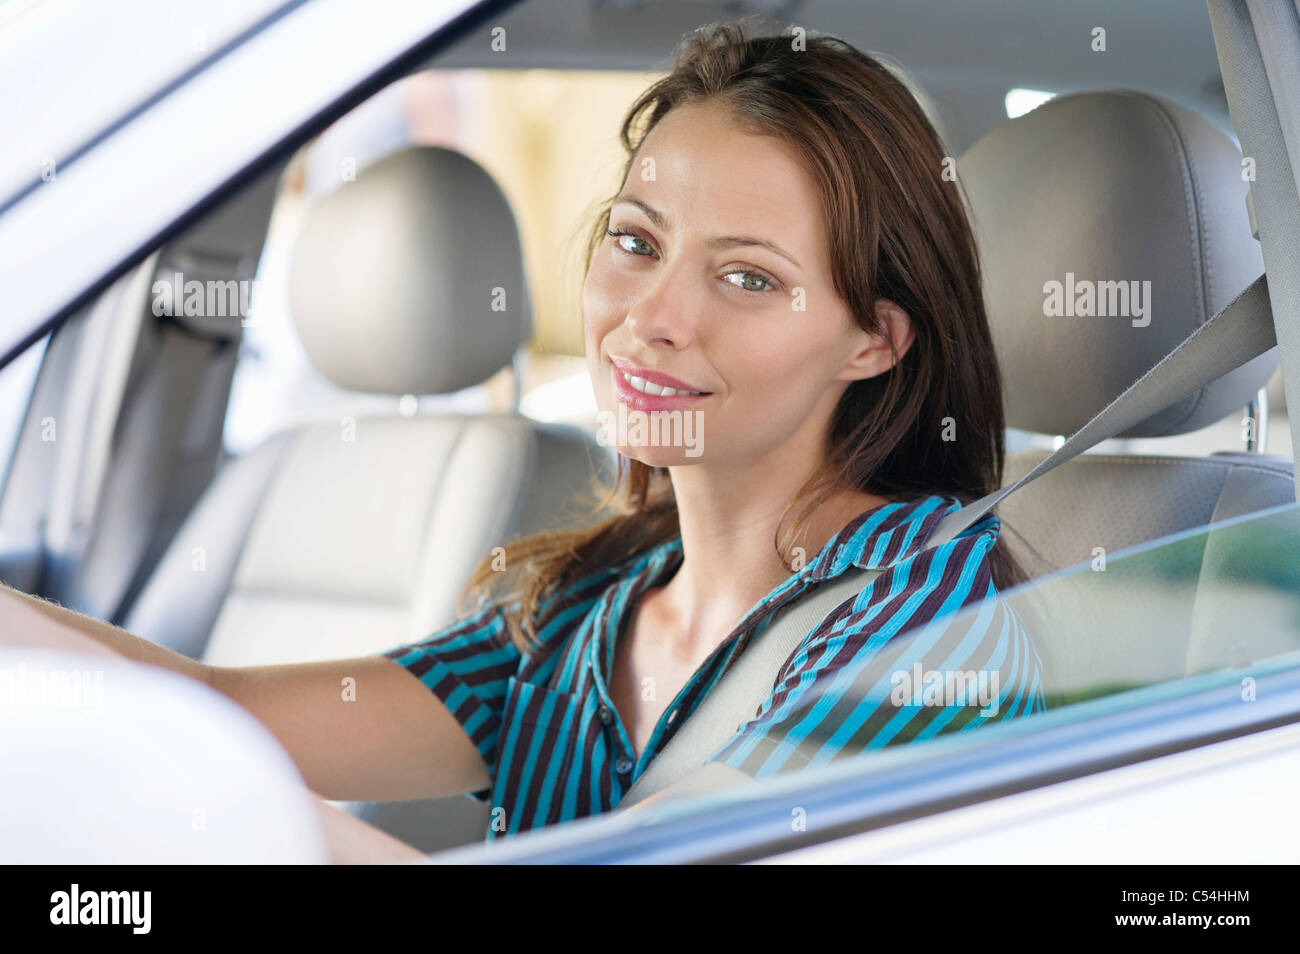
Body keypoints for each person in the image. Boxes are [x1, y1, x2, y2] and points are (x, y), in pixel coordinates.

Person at [0, 17, 1045, 862]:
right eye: (636, 241)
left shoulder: (931, 605)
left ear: (873, 340)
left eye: (748, 277)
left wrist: (231, 825)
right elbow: (221, 717)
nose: (651, 317)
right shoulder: (582, 615)